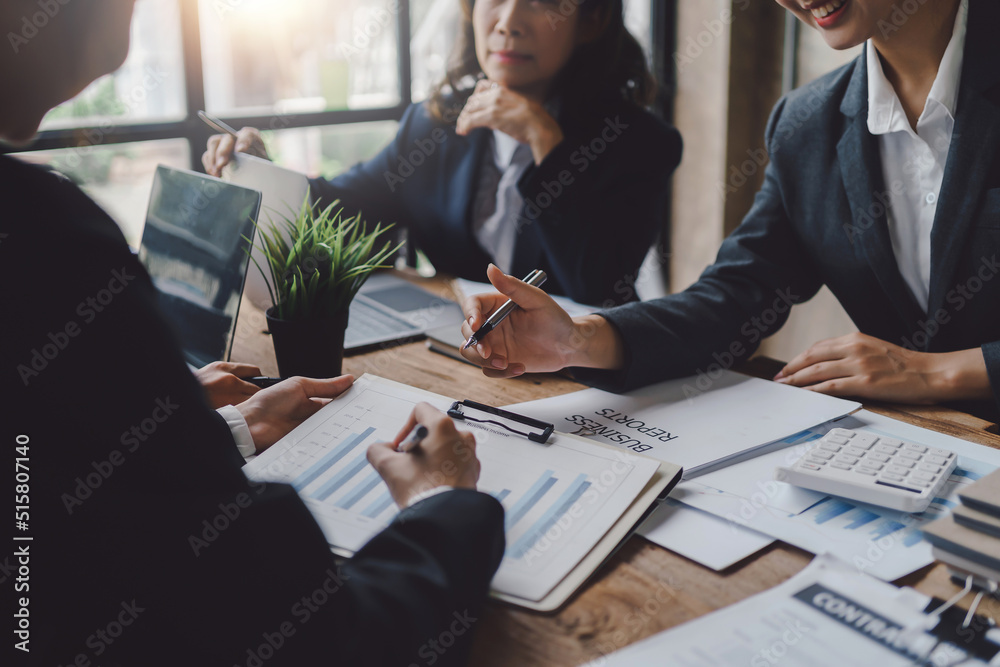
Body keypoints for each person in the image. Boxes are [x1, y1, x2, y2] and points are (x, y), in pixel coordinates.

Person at [0, 2, 503, 665]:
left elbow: (62, 506)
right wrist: (443, 502)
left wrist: (220, 432)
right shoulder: (44, 244)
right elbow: (317, 640)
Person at [458, 0, 1000, 421]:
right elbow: (731, 299)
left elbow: (931, 366)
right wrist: (577, 338)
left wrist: (938, 374)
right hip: (916, 457)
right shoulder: (807, 126)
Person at [203, 0, 682, 306]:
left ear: (591, 20)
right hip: (463, 358)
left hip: (579, 377)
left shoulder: (639, 143)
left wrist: (546, 144)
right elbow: (344, 209)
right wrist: (260, 172)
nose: (509, 22)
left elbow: (598, 287)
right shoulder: (433, 124)